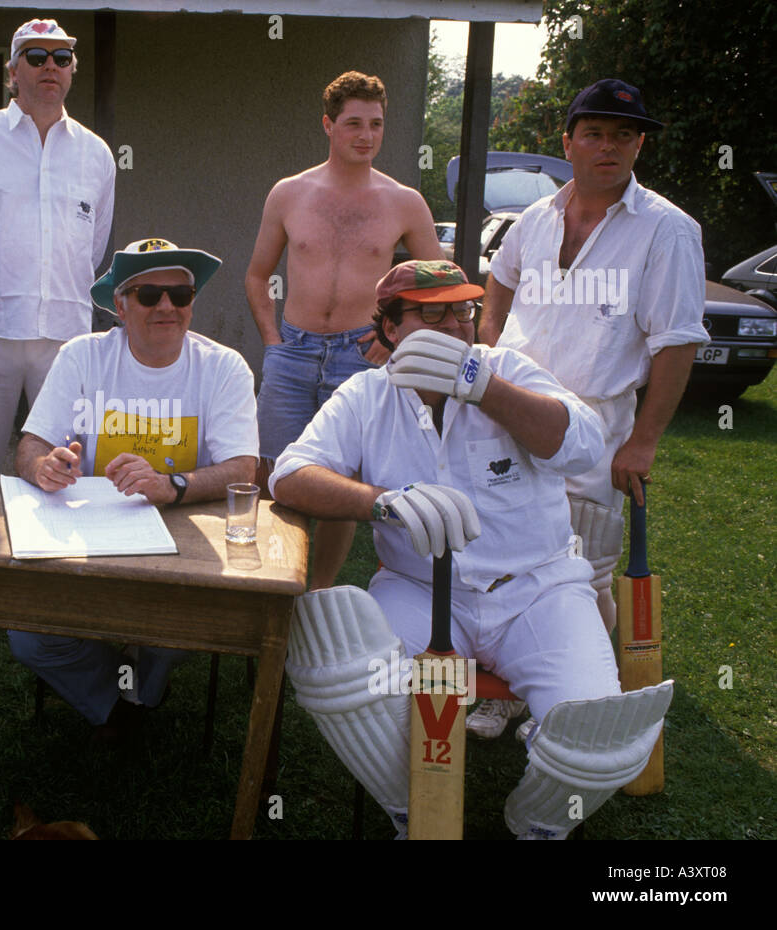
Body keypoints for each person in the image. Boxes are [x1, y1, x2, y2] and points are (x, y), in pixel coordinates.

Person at [271, 260, 672, 839]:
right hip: (418, 589)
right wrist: (381, 502)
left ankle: (536, 823)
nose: (456, 324)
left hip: (540, 590)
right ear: (389, 327)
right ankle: (414, 805)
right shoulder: (366, 396)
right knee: (333, 665)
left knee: (594, 738)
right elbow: (290, 475)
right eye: (432, 313)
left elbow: (581, 445)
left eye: (463, 309)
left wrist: (482, 388)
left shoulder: (507, 369)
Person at [474, 79, 707, 740]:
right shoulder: (536, 219)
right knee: (505, 564)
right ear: (568, 140)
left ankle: (577, 696)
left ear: (638, 145)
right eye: (597, 133)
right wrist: (491, 347)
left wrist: (646, 442)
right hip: (508, 422)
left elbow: (676, 341)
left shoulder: (667, 229)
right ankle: (510, 690)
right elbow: (500, 284)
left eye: (625, 136)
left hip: (597, 434)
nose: (611, 147)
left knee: (581, 575)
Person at [9, 238, 258, 744]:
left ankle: (143, 685)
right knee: (30, 636)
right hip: (89, 542)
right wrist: (44, 467)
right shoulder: (82, 355)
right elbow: (31, 444)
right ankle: (113, 708)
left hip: (185, 548)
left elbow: (244, 469)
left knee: (179, 634)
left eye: (180, 294)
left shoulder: (224, 366)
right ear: (120, 307)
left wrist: (173, 485)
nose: (166, 306)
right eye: (148, 294)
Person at [0, 16, 115, 649]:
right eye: (35, 57)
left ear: (71, 69)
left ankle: (61, 590)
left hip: (65, 334)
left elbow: (95, 245)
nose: (50, 67)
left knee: (65, 463)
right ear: (13, 70)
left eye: (62, 57)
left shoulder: (95, 153)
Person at [245, 71, 442, 591]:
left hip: (363, 353)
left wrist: (391, 335)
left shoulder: (404, 201)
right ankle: (272, 582)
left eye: (376, 124)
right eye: (354, 123)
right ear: (328, 125)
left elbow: (441, 284)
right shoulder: (290, 193)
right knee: (275, 473)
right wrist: (271, 339)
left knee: (339, 481)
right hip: (292, 350)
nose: (366, 135)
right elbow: (257, 275)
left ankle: (319, 591)